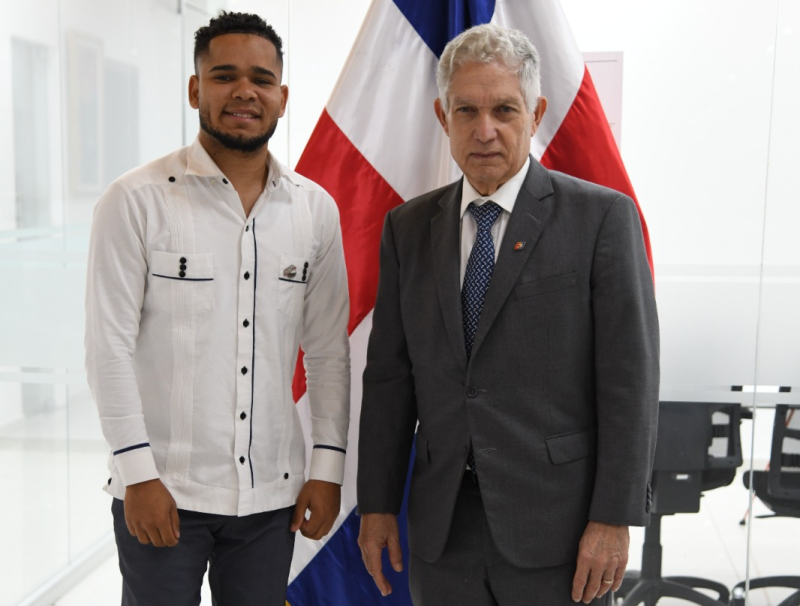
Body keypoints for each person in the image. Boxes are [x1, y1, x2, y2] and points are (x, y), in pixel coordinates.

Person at [356, 23, 659, 606]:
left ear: (535, 113)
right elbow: (390, 379)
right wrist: (376, 504)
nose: (485, 130)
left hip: (561, 532)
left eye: (504, 109)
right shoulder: (407, 229)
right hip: (443, 532)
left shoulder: (600, 219)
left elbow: (630, 381)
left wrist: (613, 517)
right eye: (466, 110)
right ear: (443, 117)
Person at [85, 12, 350, 606]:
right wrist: (138, 473)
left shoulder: (315, 210)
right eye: (224, 76)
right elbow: (108, 349)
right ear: (195, 88)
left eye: (261, 79)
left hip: (272, 498)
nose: (244, 92)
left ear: (282, 97)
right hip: (163, 490)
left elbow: (328, 354)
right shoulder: (135, 201)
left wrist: (327, 470)